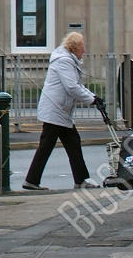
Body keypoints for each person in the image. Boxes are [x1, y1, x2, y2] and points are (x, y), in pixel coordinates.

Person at [23, 31, 102, 192]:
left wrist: (93, 96)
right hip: (56, 110)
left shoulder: (67, 60)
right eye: (82, 47)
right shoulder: (64, 62)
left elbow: (76, 85)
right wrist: (92, 100)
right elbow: (72, 87)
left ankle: (34, 180)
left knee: (69, 143)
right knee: (55, 144)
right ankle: (33, 180)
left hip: (59, 110)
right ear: (74, 48)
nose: (84, 51)